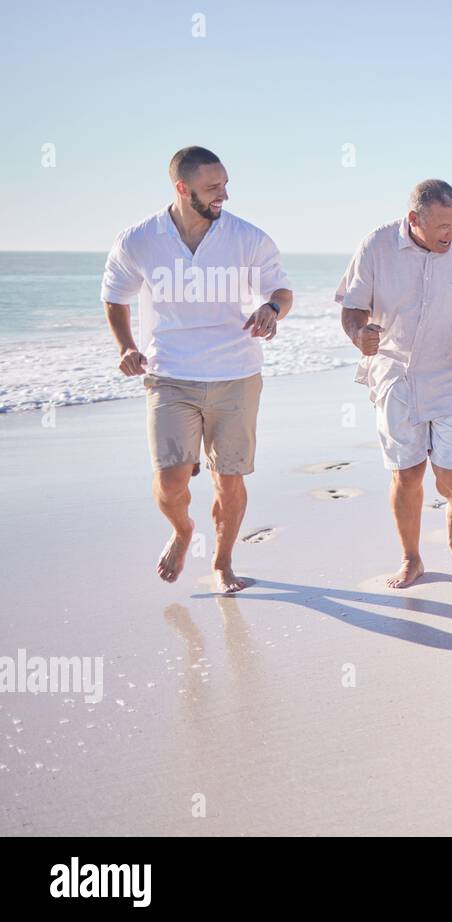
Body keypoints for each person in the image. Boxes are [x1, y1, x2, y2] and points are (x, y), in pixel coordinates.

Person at [102, 145, 292, 594]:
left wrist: (271, 309)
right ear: (182, 189)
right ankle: (184, 530)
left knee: (229, 480)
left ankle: (223, 563)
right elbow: (115, 297)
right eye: (213, 187)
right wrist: (127, 346)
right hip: (169, 373)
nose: (223, 194)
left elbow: (281, 289)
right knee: (170, 482)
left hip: (236, 371)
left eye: (225, 184)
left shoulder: (247, 237)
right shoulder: (140, 239)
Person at [336, 179, 452, 588]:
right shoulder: (376, 246)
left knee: (451, 477)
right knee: (406, 472)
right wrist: (357, 334)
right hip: (395, 373)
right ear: (414, 219)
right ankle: (412, 558)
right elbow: (352, 306)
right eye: (442, 228)